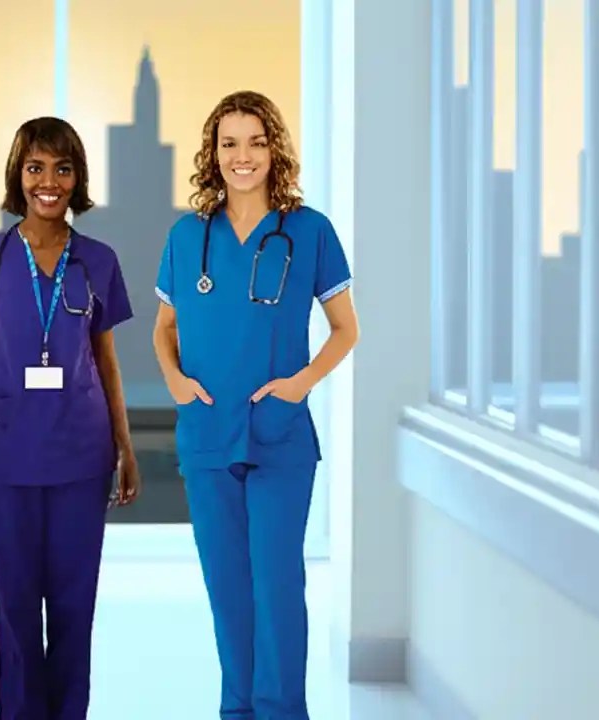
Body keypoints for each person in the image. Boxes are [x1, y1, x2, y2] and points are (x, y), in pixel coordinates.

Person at [151, 90, 359, 720]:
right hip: (208, 435)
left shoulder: (309, 230)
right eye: (229, 144)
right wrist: (175, 381)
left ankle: (280, 712)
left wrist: (301, 383)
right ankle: (235, 711)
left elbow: (346, 328)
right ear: (212, 154)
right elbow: (165, 328)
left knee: (276, 588)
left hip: (279, 437)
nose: (243, 157)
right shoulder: (189, 237)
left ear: (276, 150)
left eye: (257, 142)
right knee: (228, 593)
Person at [0, 116, 141, 720]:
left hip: (81, 457)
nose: (48, 182)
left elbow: (105, 360)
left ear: (77, 177)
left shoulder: (98, 262)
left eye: (62, 168)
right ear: (17, 176)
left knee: (76, 611)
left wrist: (125, 448)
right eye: (35, 168)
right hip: (4, 459)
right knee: (17, 613)